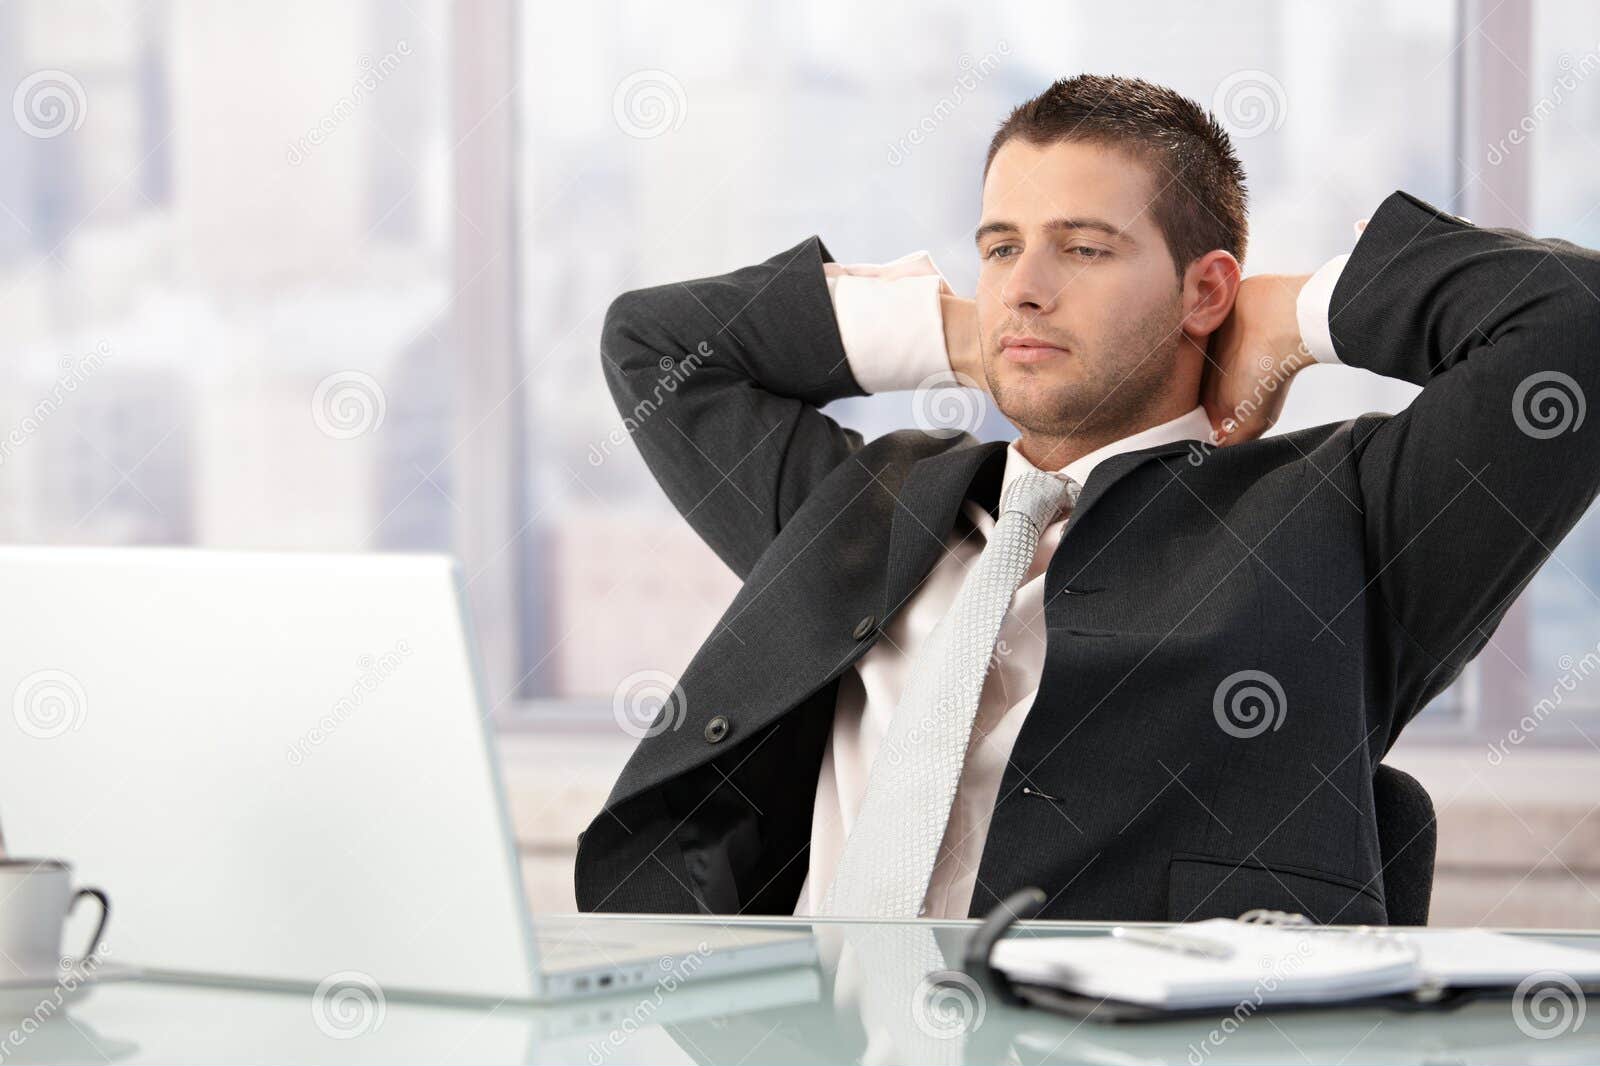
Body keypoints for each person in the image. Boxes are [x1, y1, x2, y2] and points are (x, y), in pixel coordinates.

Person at [575, 73, 1600, 924]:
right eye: (1001, 245)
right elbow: (655, 347)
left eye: (1082, 247)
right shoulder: (857, 507)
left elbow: (1575, 324)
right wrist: (957, 332)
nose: (1023, 284)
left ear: (1205, 290)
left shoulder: (1337, 522)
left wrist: (1295, 313)